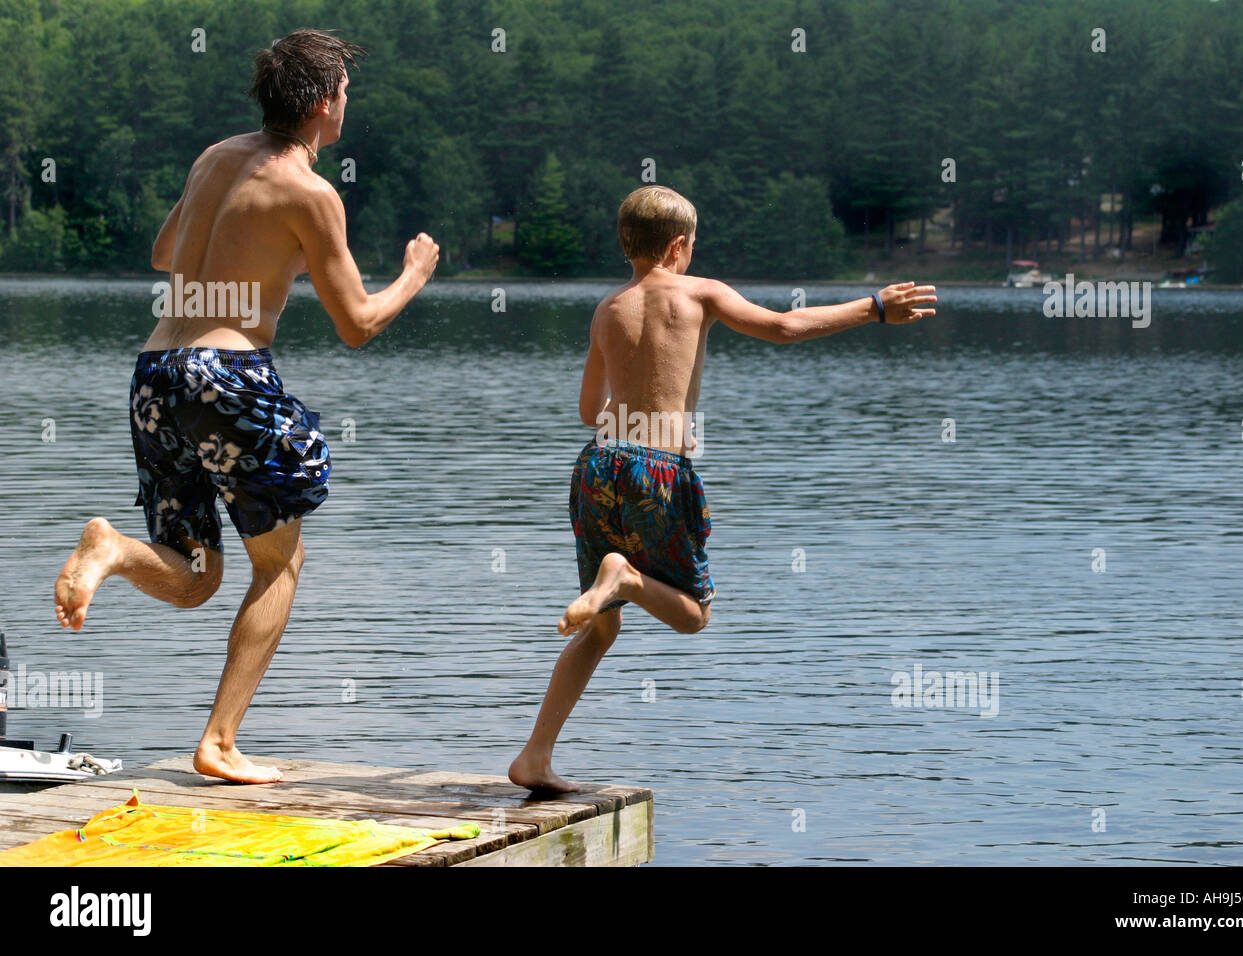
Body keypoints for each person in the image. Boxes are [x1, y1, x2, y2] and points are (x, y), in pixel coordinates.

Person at [52, 29, 440, 784]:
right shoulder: (311, 191)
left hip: (157, 370)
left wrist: (243, 244)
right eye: (345, 98)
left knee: (197, 576)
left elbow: (168, 251)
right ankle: (220, 742)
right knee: (280, 564)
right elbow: (357, 325)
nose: (345, 110)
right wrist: (414, 274)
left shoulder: (214, 157)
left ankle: (112, 548)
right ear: (325, 103)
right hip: (224, 374)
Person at [509, 185, 937, 791]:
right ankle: (625, 576)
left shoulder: (607, 308)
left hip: (597, 467)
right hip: (657, 468)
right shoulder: (699, 291)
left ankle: (534, 755)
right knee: (693, 617)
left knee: (601, 626)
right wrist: (872, 307)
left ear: (626, 244)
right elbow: (785, 326)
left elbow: (588, 410)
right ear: (680, 247)